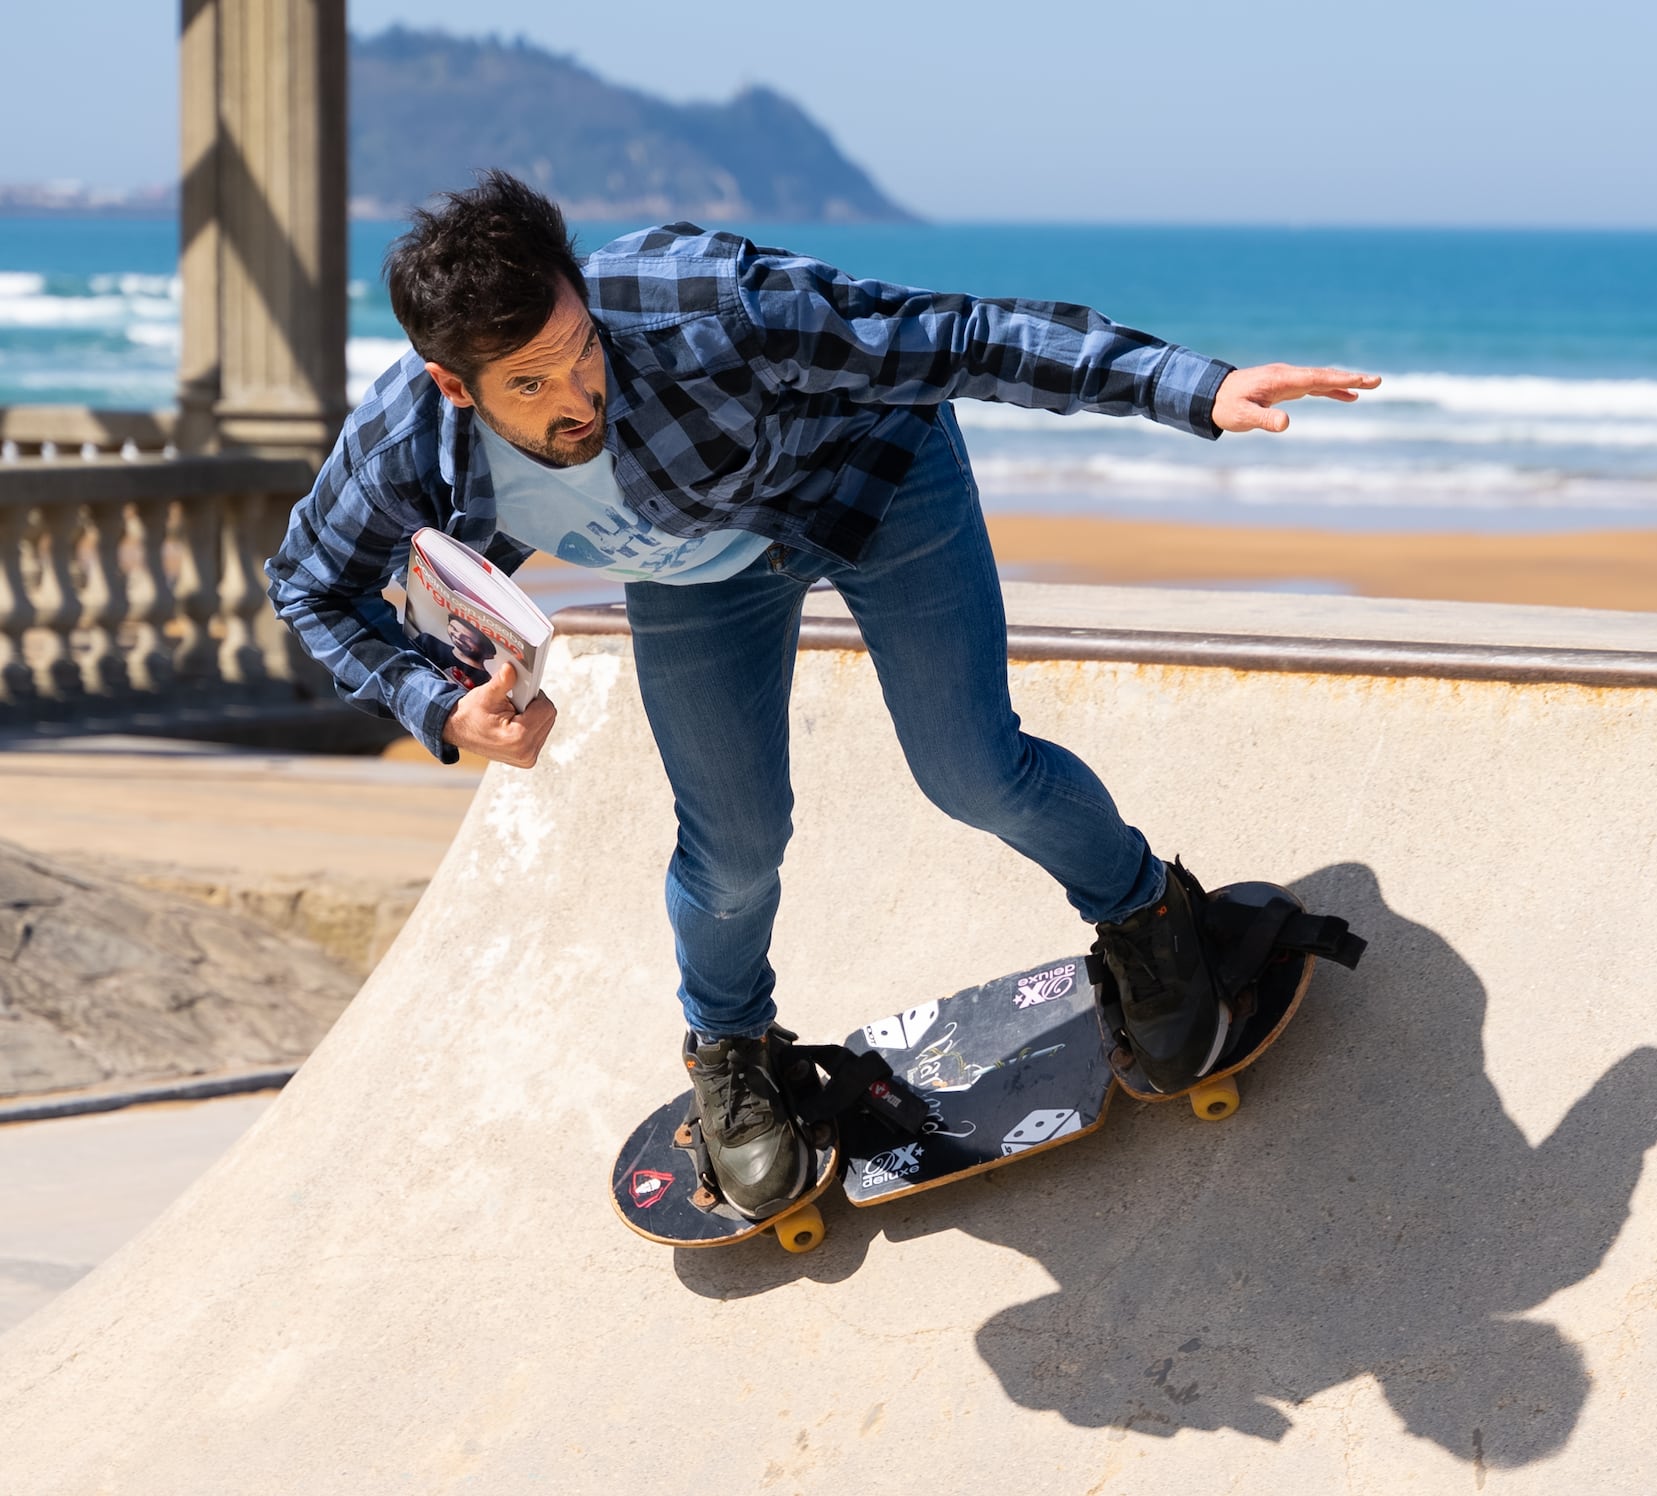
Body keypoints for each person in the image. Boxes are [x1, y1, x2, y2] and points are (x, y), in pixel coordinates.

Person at [266, 172, 1381, 1220]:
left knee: (971, 770)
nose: (578, 395)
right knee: (733, 845)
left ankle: (1144, 912)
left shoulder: (699, 302)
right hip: (694, 576)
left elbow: (956, 336)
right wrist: (436, 704)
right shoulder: (406, 443)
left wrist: (1190, 384)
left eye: (577, 353)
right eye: (530, 386)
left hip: (876, 484)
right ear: (453, 386)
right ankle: (732, 1054)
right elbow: (308, 582)